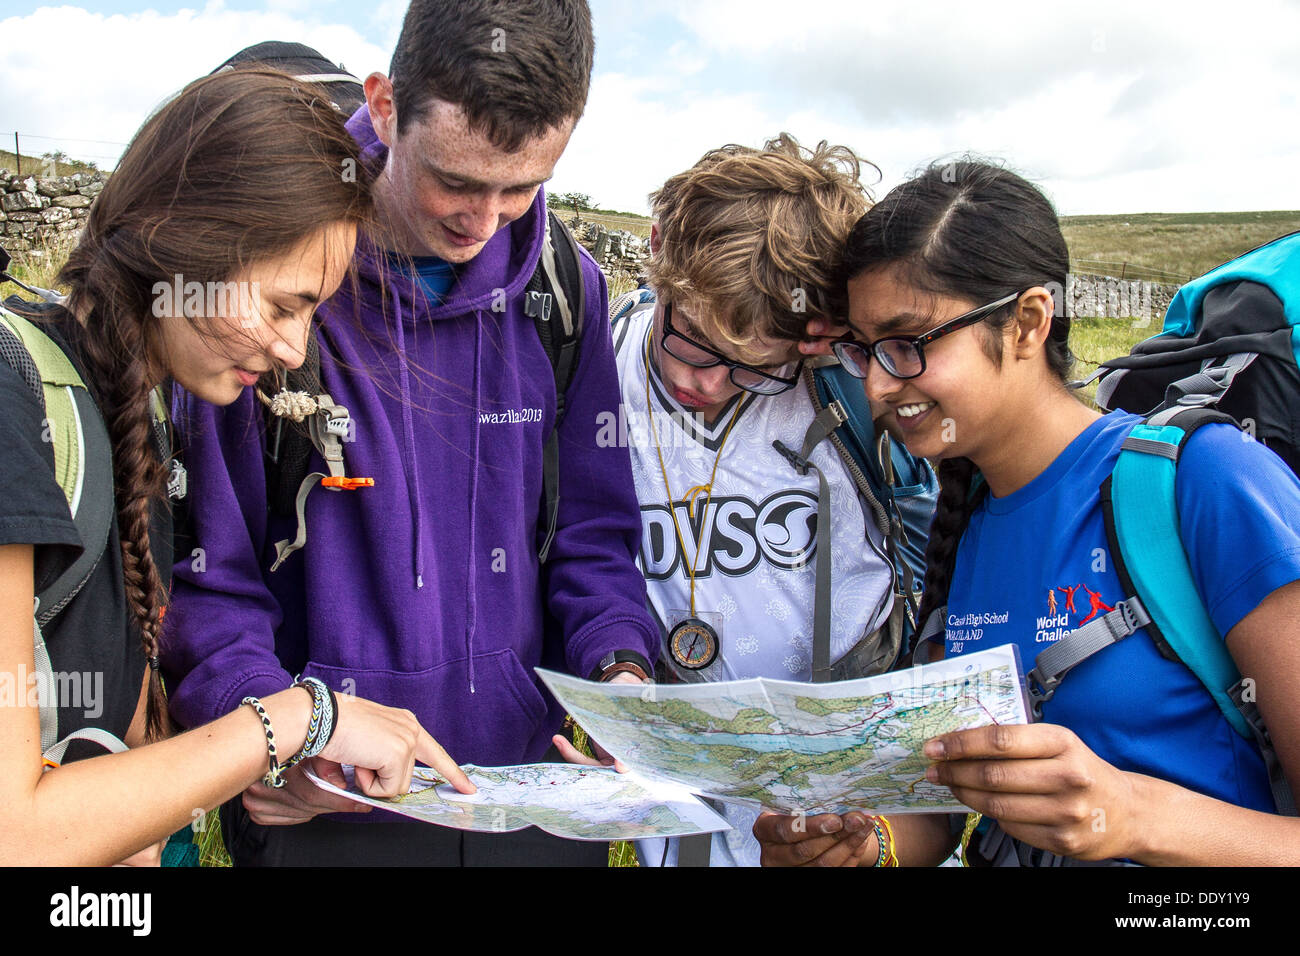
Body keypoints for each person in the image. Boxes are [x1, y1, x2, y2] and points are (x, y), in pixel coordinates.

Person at [162, 0, 658, 866]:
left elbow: (593, 537)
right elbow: (208, 569)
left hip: (525, 804)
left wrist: (623, 676)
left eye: (524, 185)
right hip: (323, 810)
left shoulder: (567, 291)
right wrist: (264, 731)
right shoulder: (265, 278)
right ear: (386, 106)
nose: (486, 221)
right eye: (457, 181)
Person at [755, 160, 1300, 866]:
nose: (881, 383)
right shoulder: (963, 520)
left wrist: (1136, 816)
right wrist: (868, 847)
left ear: (1028, 322)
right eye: (863, 350)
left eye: (909, 343)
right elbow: (952, 805)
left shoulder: (1201, 480)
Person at [0, 69, 471, 867]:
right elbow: (17, 832)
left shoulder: (135, 416)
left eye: (314, 313)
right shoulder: (17, 400)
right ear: (180, 242)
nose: (295, 351)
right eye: (283, 305)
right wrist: (301, 718)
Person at [564, 135, 905, 866]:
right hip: (678, 776)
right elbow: (578, 542)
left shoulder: (850, 382)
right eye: (691, 341)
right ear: (658, 252)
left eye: (758, 369)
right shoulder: (595, 359)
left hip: (846, 774)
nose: (710, 384)